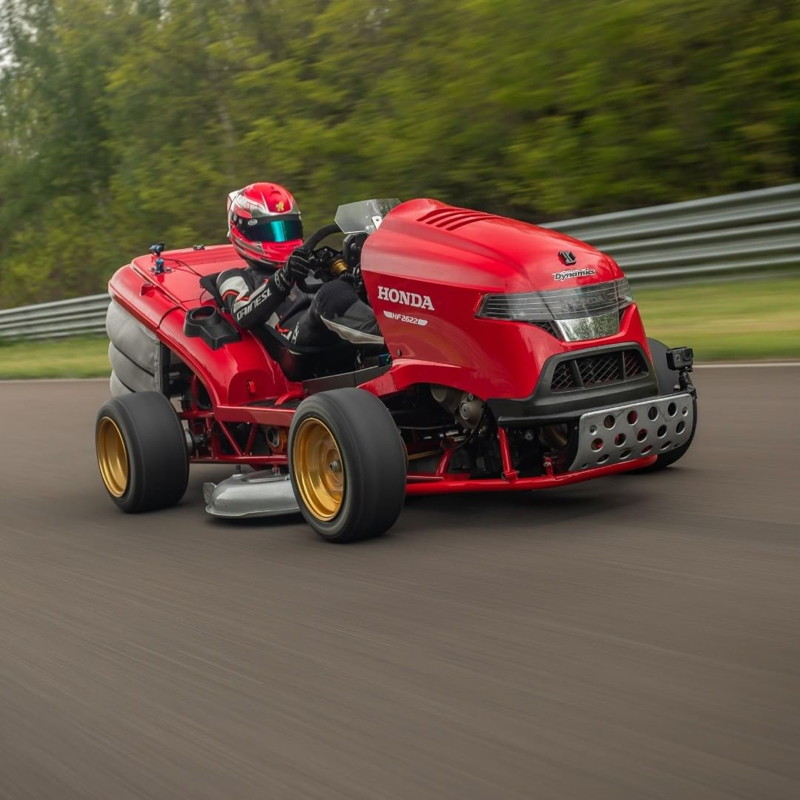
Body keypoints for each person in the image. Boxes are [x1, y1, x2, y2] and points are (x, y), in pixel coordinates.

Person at [214, 182, 383, 349]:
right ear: (241, 231)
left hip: (330, 329)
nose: (283, 239)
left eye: (289, 229)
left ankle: (402, 324)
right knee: (331, 293)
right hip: (291, 339)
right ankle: (393, 338)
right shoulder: (233, 277)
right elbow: (243, 314)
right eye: (271, 231)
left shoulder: (308, 261)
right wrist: (284, 277)